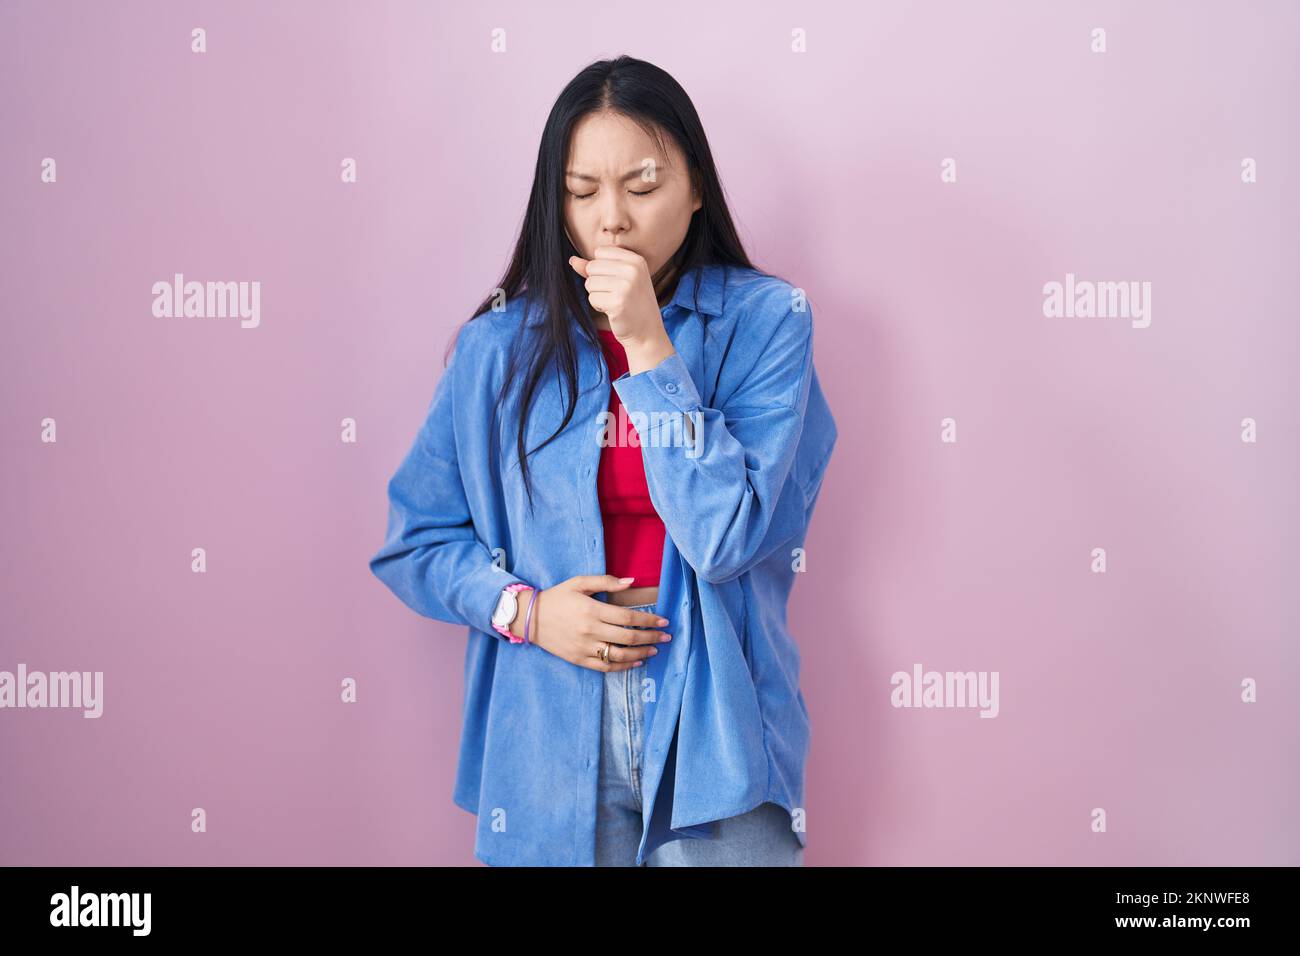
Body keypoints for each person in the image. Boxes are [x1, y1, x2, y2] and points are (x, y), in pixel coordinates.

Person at [369, 54, 837, 866]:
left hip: (714, 723)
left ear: (696, 188)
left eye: (643, 186)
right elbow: (416, 539)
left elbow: (728, 538)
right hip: (545, 727)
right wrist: (527, 612)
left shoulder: (768, 323)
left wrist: (649, 347)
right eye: (583, 192)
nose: (612, 219)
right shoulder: (496, 349)